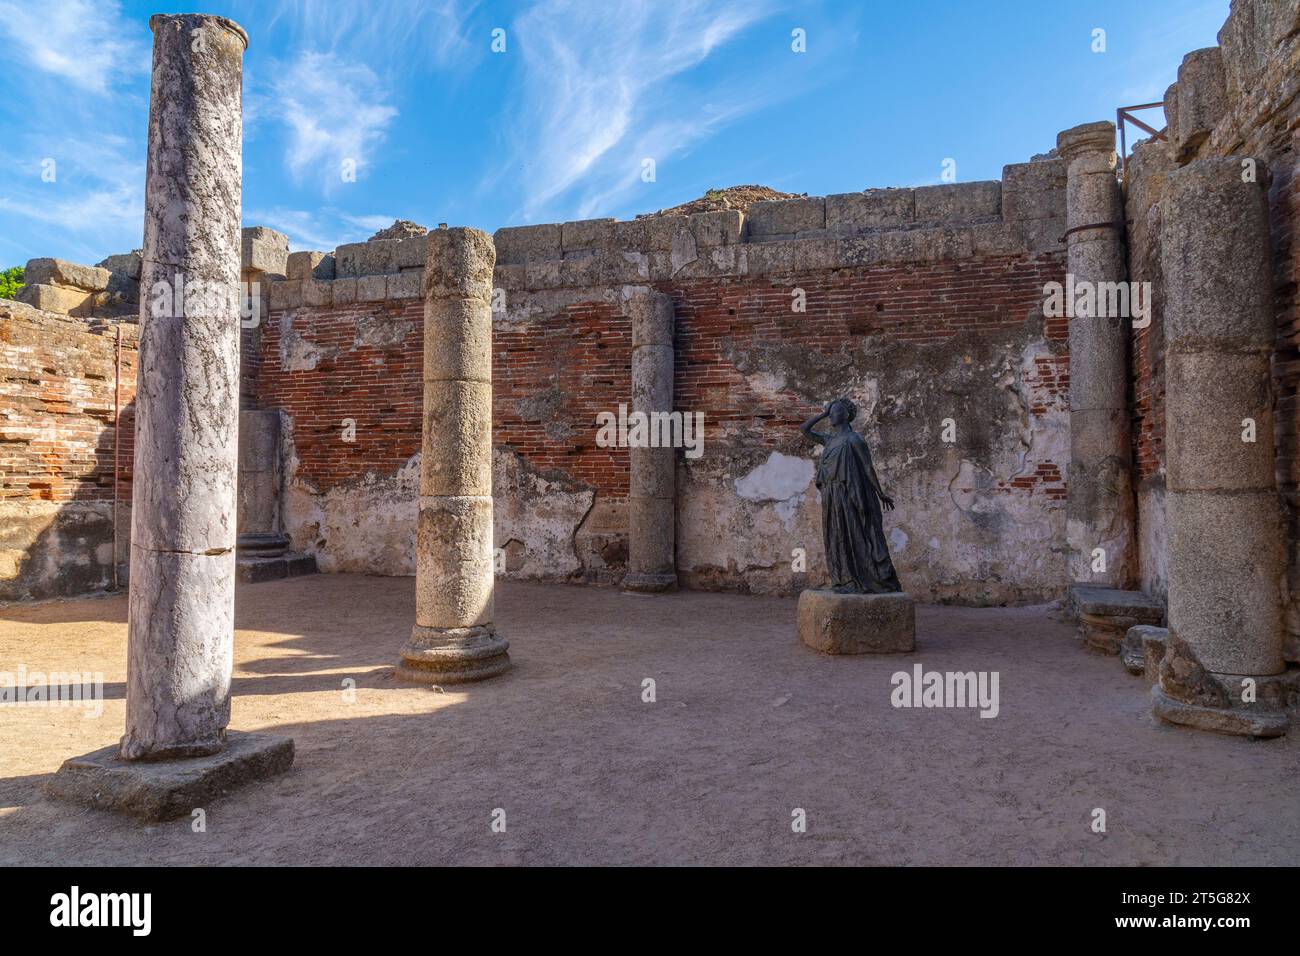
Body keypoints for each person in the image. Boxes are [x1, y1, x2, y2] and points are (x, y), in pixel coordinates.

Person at [799, 398, 902, 594]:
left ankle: (863, 577)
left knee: (855, 534)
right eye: (830, 412)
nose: (831, 416)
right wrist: (823, 412)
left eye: (835, 412)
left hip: (848, 494)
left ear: (845, 415)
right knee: (836, 536)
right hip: (831, 495)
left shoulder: (854, 440)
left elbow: (867, 467)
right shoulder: (829, 440)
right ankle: (844, 579)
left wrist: (880, 493)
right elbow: (804, 429)